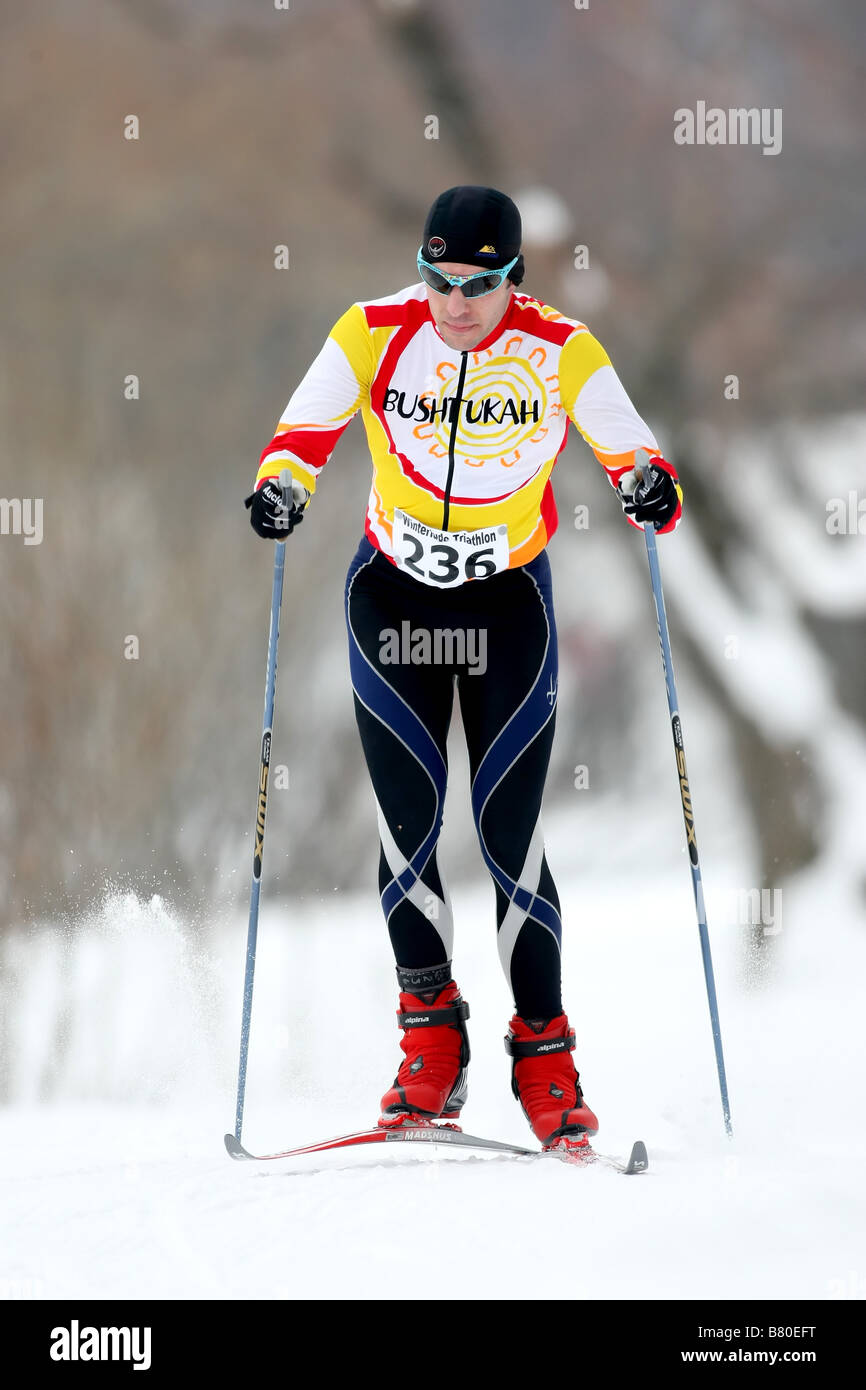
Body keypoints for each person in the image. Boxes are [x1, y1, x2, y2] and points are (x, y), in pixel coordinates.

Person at [245, 185, 681, 1154]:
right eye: (436, 280)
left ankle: (545, 1060)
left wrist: (648, 487)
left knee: (507, 836)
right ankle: (430, 1049)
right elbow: (299, 437)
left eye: (477, 285)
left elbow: (634, 456)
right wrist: (279, 487)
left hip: (504, 611)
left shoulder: (561, 347)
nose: (453, 303)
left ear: (512, 277)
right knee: (406, 832)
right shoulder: (371, 331)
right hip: (391, 601)